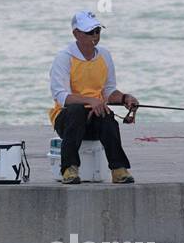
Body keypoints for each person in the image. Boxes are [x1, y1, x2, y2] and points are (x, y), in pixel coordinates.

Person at [48, 11, 138, 184]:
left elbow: (109, 91)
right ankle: (69, 168)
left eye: (97, 31)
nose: (95, 36)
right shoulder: (64, 58)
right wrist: (90, 101)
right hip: (67, 121)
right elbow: (61, 97)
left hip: (94, 118)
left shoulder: (104, 55)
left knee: (107, 116)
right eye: (90, 32)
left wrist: (125, 98)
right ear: (76, 33)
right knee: (76, 111)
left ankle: (118, 169)